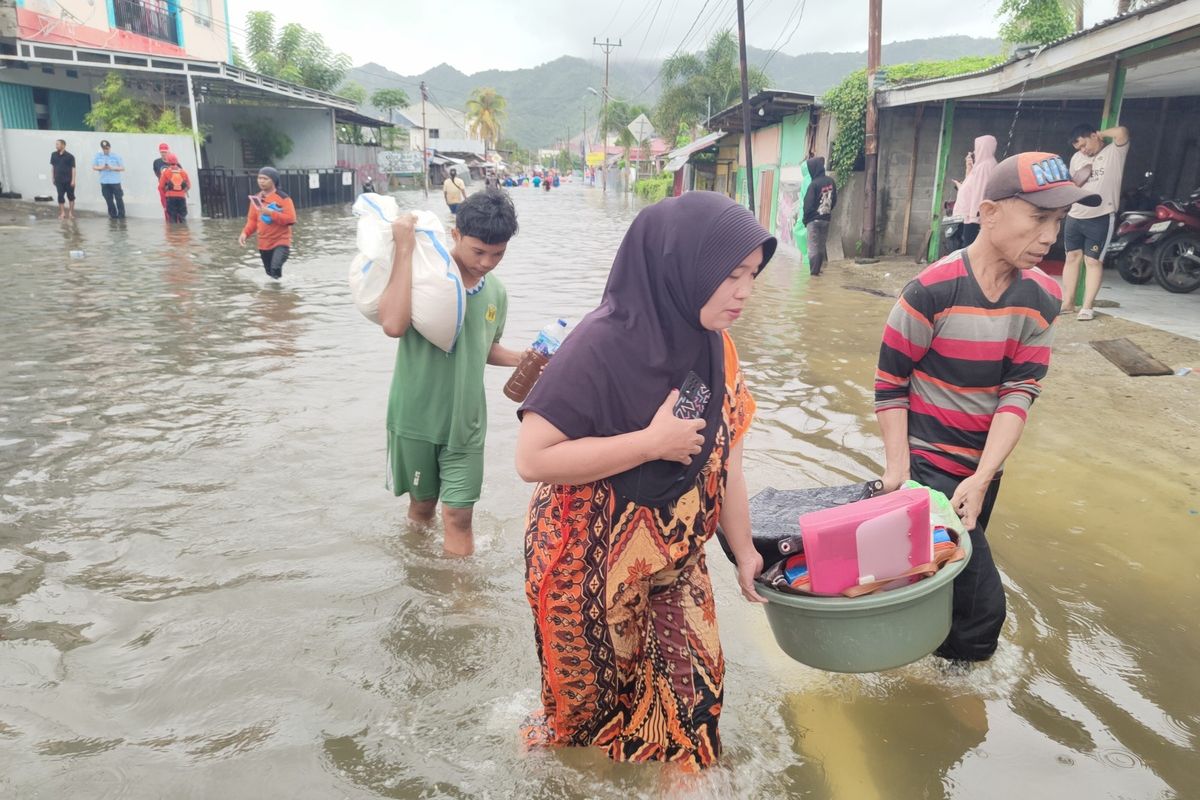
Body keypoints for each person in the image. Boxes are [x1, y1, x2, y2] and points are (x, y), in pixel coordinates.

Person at [514, 192, 776, 770]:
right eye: (731, 276)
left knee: (695, 717)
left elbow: (725, 455)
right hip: (586, 570)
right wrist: (650, 445)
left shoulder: (717, 347)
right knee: (584, 731)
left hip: (677, 560)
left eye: (752, 276)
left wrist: (744, 549)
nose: (744, 293)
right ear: (681, 267)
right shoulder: (599, 344)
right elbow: (532, 458)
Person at [874, 152, 1100, 664]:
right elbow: (890, 384)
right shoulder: (931, 291)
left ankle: (925, 670)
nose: (1049, 235)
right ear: (990, 213)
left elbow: (1019, 392)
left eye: (1058, 221)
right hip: (927, 467)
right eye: (1038, 218)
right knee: (984, 609)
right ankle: (955, 701)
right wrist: (900, 472)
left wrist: (983, 475)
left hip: (983, 470)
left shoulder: (1043, 298)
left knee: (945, 580)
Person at [378, 190, 521, 557]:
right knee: (422, 510)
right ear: (455, 234)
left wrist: (525, 358)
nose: (487, 262)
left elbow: (482, 348)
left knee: (459, 516)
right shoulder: (426, 276)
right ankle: (418, 581)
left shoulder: (498, 293)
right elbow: (393, 325)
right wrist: (405, 248)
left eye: (498, 254)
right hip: (416, 419)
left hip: (466, 424)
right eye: (478, 251)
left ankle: (461, 607)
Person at [1061, 122, 1130, 320]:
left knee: (1092, 261)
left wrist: (1101, 133)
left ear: (1093, 136)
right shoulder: (1076, 158)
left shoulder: (1114, 153)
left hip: (1101, 216)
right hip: (1075, 215)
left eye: (1084, 144)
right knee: (1071, 257)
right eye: (1079, 148)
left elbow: (1122, 132)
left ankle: (1087, 307)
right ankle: (1068, 302)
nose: (1083, 150)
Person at [239, 166, 296, 279]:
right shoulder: (256, 198)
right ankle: (273, 294)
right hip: (264, 243)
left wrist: (271, 213)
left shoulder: (284, 198)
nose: (261, 181)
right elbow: (252, 220)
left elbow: (291, 219)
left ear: (273, 181)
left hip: (281, 241)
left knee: (275, 269)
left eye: (265, 178)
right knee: (270, 274)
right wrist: (245, 233)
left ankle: (279, 294)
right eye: (259, 178)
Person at [952, 134, 999, 246]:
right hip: (971, 216)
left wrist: (975, 215)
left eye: (977, 148)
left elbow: (980, 192)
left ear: (984, 148)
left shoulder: (985, 167)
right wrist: (969, 168)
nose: (974, 151)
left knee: (969, 249)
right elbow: (972, 187)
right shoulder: (981, 166)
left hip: (974, 218)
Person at [802, 156, 838, 276]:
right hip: (826, 219)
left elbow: (808, 204)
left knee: (813, 247)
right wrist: (827, 212)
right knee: (821, 247)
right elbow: (834, 200)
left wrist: (805, 220)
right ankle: (817, 272)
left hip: (813, 220)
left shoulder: (813, 185)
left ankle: (813, 275)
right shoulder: (831, 181)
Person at [92, 139, 126, 219]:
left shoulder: (116, 156)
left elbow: (122, 168)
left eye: (107, 148)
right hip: (104, 181)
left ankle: (121, 215)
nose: (105, 150)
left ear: (110, 148)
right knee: (108, 199)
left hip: (115, 181)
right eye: (104, 148)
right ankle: (113, 215)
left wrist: (112, 168)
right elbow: (94, 166)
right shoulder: (98, 156)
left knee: (118, 198)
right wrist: (102, 167)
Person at [158, 154, 190, 223]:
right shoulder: (183, 172)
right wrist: (182, 192)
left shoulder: (166, 172)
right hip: (181, 198)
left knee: (172, 217)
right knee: (182, 217)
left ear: (168, 162)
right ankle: (184, 231)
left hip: (170, 197)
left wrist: (166, 192)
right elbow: (189, 186)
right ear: (177, 162)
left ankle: (174, 232)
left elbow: (161, 186)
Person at [50, 139, 76, 219]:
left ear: (63, 145)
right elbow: (53, 167)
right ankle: (62, 213)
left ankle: (71, 213)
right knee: (60, 196)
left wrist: (73, 180)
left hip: (68, 180)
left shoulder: (70, 156)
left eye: (58, 144)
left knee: (71, 197)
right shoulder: (53, 154)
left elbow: (73, 169)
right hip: (58, 180)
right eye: (56, 144)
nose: (56, 146)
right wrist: (53, 178)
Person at [153, 143, 172, 220]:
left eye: (165, 152)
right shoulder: (156, 162)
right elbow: (156, 172)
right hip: (162, 188)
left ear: (168, 151)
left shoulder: (173, 161)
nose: (163, 154)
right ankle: (169, 224)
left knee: (173, 206)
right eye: (162, 152)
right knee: (165, 206)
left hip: (172, 188)